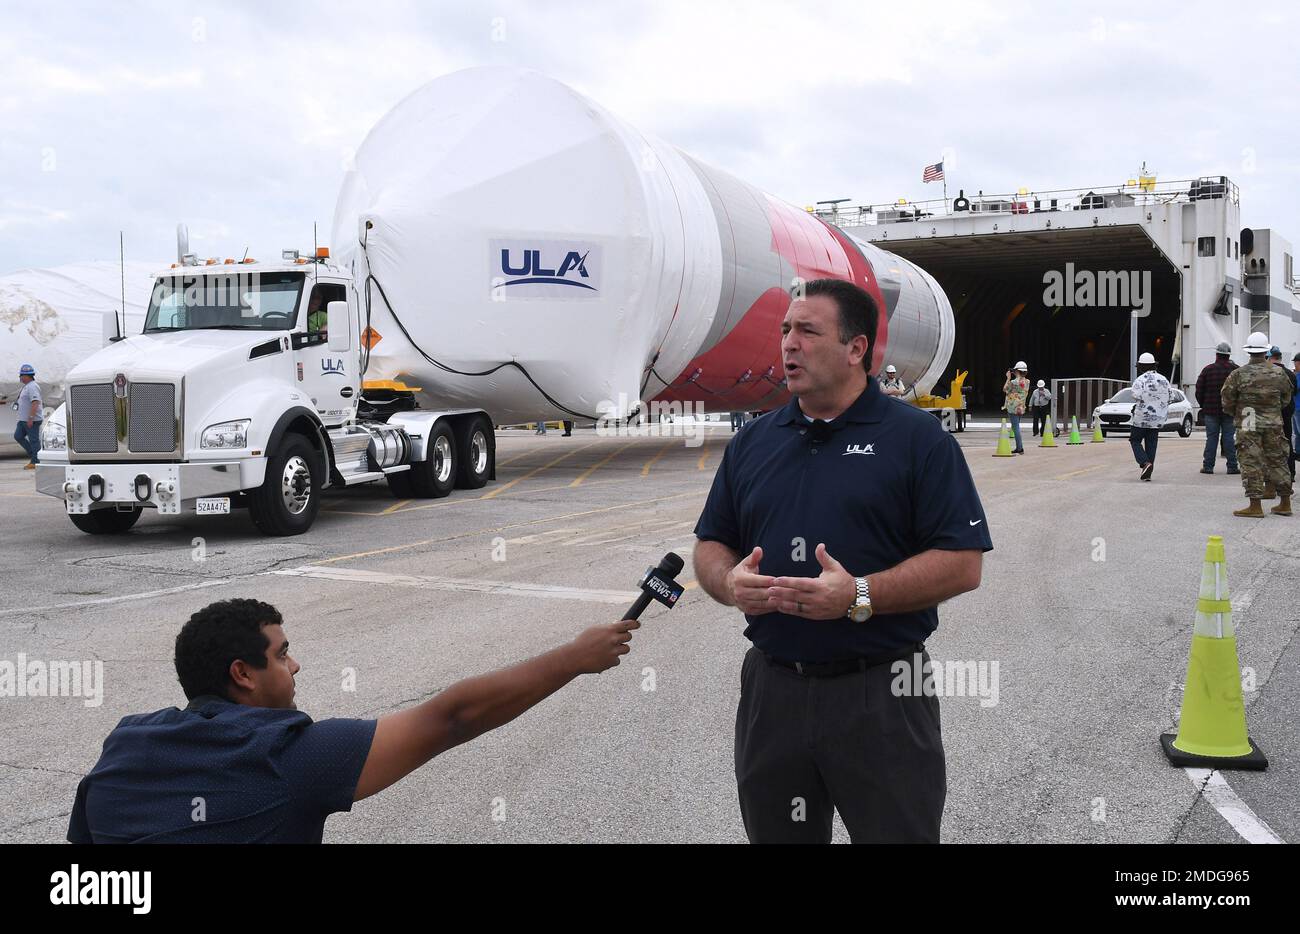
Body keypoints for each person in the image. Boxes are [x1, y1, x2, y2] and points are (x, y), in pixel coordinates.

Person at [692, 277, 992, 844]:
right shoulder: (754, 442)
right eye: (785, 330)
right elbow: (711, 544)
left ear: (856, 349)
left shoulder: (917, 440)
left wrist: (859, 594)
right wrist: (729, 584)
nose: (788, 344)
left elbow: (963, 562)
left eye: (807, 331)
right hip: (773, 693)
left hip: (881, 694)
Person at [68, 598, 638, 842]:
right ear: (242, 674)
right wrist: (572, 659)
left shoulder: (122, 747)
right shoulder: (285, 757)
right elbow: (453, 718)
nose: (296, 664)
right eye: (282, 653)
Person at [1220, 332, 1294, 517]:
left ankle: (1255, 506)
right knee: (1278, 460)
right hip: (1273, 422)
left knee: (1251, 461)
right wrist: (1272, 410)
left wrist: (1235, 412)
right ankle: (1285, 503)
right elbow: (1286, 397)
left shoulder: (1238, 374)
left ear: (1249, 352)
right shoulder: (1279, 373)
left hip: (1248, 421)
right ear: (1266, 351)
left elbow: (1227, 399)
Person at [1195, 341, 1239, 475]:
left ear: (1217, 354)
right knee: (1229, 438)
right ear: (1228, 355)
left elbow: (1199, 390)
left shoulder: (1208, 369)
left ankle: (1208, 467)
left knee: (1212, 438)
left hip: (1211, 411)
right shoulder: (1236, 370)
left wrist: (1204, 405)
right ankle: (1232, 466)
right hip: (1230, 411)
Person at [1128, 352, 1170, 481]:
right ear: (1154, 365)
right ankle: (1148, 473)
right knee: (1151, 444)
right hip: (1157, 418)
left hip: (1141, 417)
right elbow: (1171, 397)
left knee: (1135, 440)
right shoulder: (1163, 379)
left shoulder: (1140, 380)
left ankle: (1145, 463)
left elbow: (1135, 395)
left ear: (1140, 366)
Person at [1269, 346, 1295, 482]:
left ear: (1270, 358)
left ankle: (1275, 476)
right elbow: (1294, 392)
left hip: (1273, 415)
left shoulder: (1270, 373)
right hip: (1287, 413)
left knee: (1272, 446)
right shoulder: (1290, 374)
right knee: (1288, 442)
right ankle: (1291, 473)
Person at [13, 363, 43, 470]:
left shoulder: (33, 387)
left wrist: (31, 418)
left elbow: (35, 402)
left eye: (21, 375)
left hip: (31, 420)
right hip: (23, 420)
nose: (20, 377)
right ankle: (35, 455)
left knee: (34, 440)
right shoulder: (27, 386)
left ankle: (36, 461)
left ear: (27, 376)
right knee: (18, 436)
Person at [1002, 362, 1029, 454]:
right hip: (1021, 407)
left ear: (1017, 370)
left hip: (1013, 407)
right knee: (1016, 427)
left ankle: (1020, 448)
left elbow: (1005, 389)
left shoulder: (1014, 382)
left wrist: (1008, 378)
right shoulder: (1027, 381)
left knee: (1015, 427)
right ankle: (1019, 447)